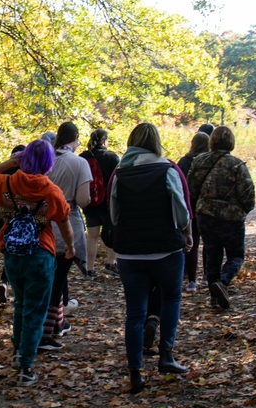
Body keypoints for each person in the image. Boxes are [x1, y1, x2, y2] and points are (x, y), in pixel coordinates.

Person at [0, 139, 74, 387]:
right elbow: (64, 223)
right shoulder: (51, 191)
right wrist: (71, 248)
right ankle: (26, 366)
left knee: (21, 303)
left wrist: (11, 162)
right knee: (36, 310)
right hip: (41, 256)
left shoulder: (5, 182)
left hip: (12, 254)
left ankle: (17, 351)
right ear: (49, 163)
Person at [109, 123, 193, 394]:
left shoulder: (119, 174)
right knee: (171, 299)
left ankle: (135, 371)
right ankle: (166, 354)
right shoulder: (167, 170)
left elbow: (114, 216)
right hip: (166, 248)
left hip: (129, 252)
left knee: (135, 312)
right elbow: (181, 212)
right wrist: (186, 233)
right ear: (156, 142)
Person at [188, 125, 256, 311]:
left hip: (205, 215)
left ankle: (213, 295)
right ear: (230, 142)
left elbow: (191, 189)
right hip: (230, 217)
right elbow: (247, 193)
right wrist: (244, 209)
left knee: (213, 254)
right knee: (236, 255)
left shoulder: (199, 161)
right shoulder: (237, 165)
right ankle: (223, 282)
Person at [43, 122, 92, 344]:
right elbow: (83, 200)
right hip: (67, 225)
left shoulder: (45, 160)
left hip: (42, 223)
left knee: (51, 277)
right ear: (76, 138)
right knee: (58, 278)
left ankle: (58, 322)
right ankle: (49, 330)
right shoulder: (79, 163)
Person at [0, 144, 27, 304]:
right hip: (20, 227)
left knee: (11, 255)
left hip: (0, 224)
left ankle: (5, 282)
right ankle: (13, 286)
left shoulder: (1, 176)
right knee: (19, 257)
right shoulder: (24, 177)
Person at [82, 129, 119, 278]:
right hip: (108, 203)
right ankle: (111, 264)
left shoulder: (83, 157)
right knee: (112, 234)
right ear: (105, 141)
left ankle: (90, 269)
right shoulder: (112, 157)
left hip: (90, 203)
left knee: (92, 236)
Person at [177, 132, 210, 293]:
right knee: (209, 243)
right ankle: (207, 274)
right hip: (208, 208)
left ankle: (191, 280)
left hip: (190, 207)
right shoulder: (211, 161)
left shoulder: (184, 161)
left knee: (192, 243)